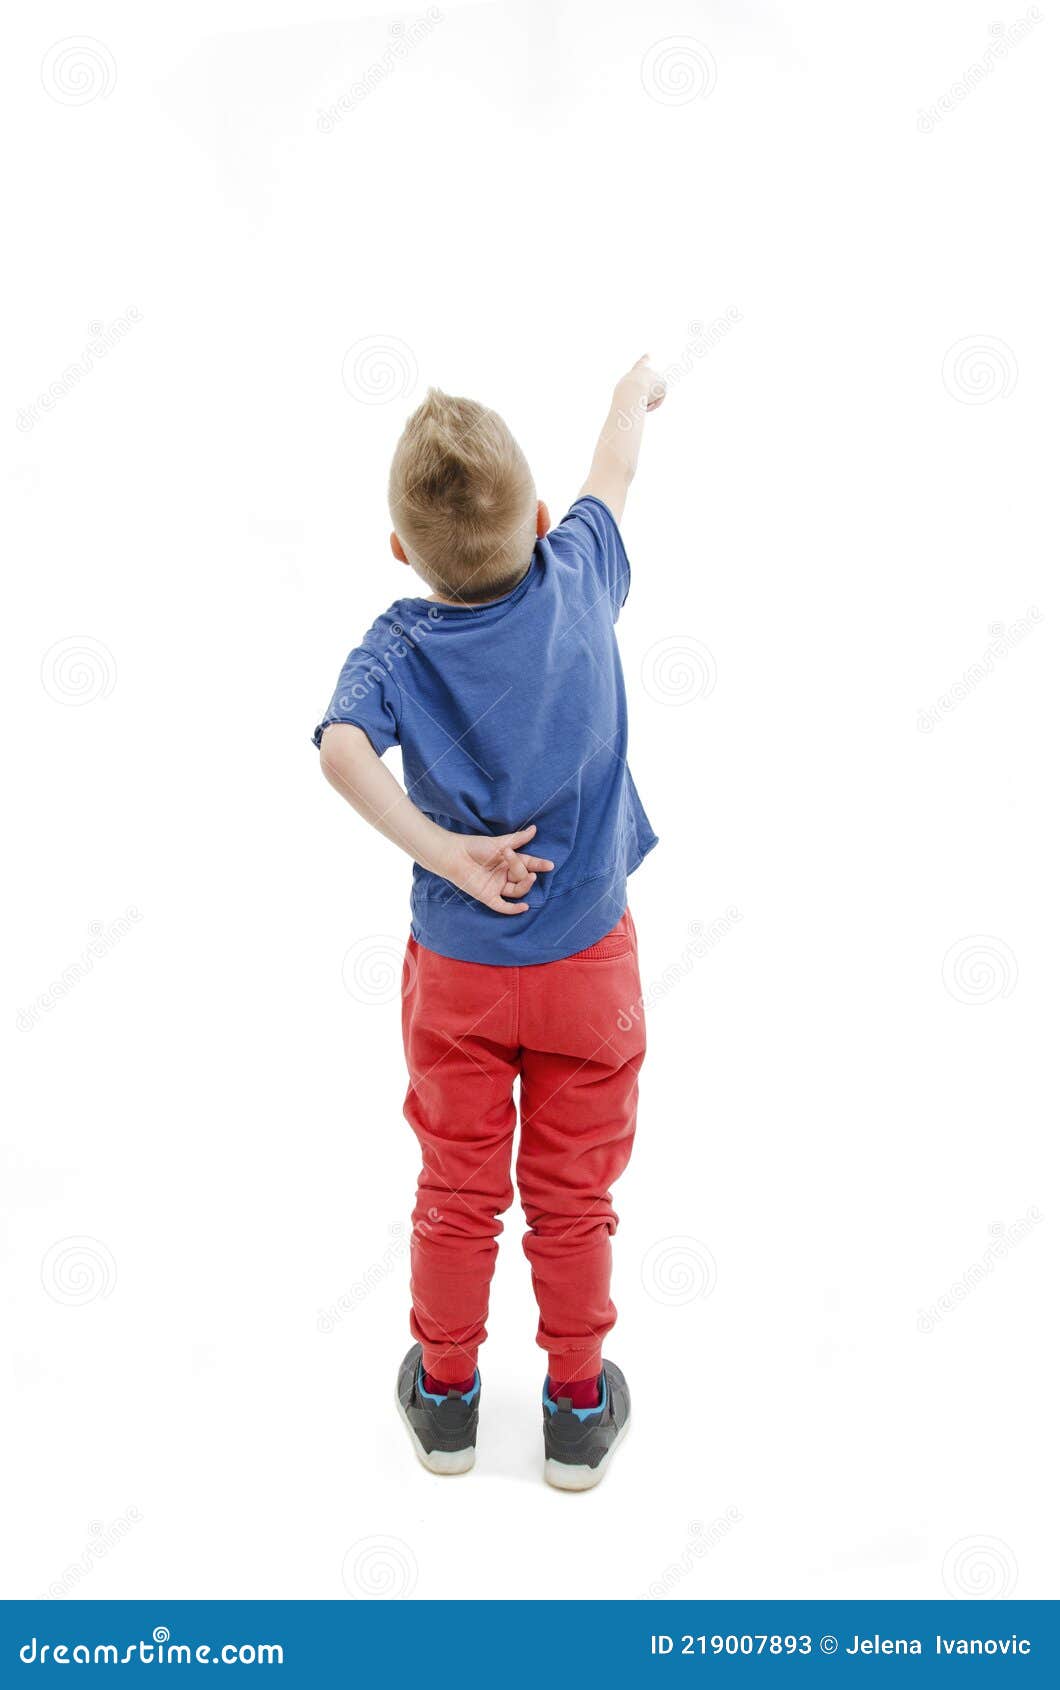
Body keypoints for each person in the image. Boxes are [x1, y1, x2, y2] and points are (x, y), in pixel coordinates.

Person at [314, 356, 664, 1488]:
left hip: (459, 976)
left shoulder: (400, 644)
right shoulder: (579, 571)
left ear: (403, 555)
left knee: (458, 1186)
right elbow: (614, 468)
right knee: (575, 1193)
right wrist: (630, 391)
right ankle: (573, 1405)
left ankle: (451, 1397)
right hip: (590, 970)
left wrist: (442, 851)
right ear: (543, 518)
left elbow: (339, 747)